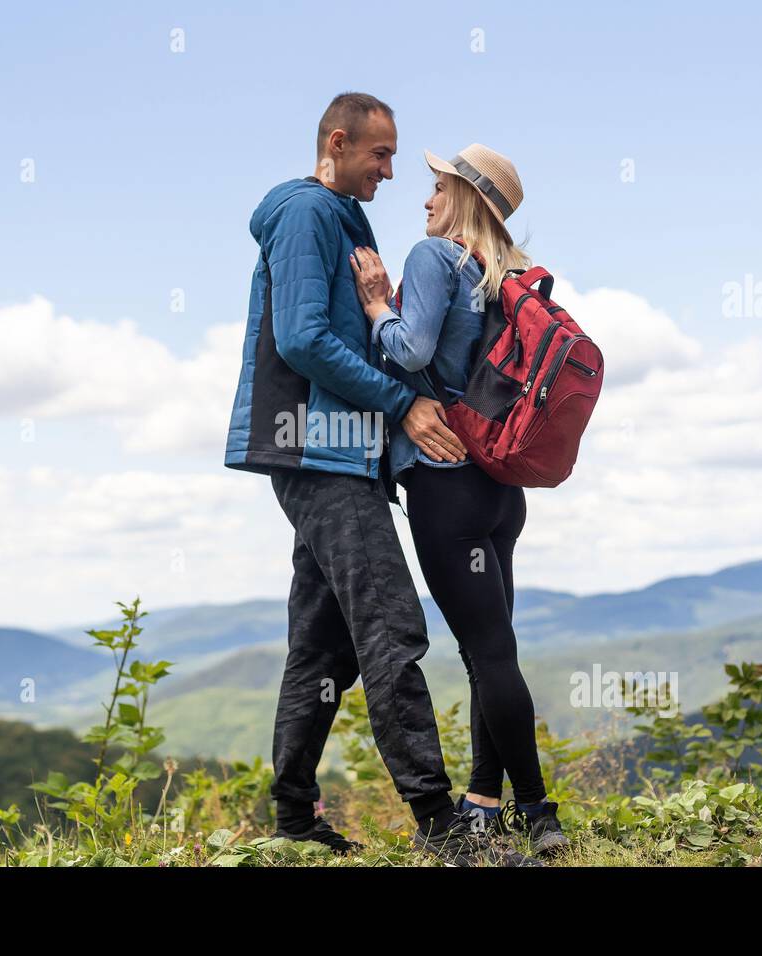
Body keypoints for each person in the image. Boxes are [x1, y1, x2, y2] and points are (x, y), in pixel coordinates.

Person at [224, 95, 537, 866]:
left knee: (323, 647)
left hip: (344, 448)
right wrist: (405, 402)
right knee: (394, 628)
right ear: (338, 142)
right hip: (314, 447)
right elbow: (301, 339)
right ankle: (440, 826)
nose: (393, 173)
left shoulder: (346, 219)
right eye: (381, 155)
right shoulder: (304, 212)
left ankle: (293, 820)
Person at [348, 143, 569, 858]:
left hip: (447, 486)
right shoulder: (500, 276)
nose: (426, 200)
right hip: (500, 492)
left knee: (488, 657)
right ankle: (483, 799)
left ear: (464, 197)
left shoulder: (432, 257)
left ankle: (538, 813)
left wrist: (379, 306)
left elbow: (410, 352)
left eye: (437, 187)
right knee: (493, 653)